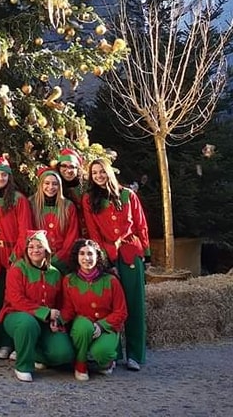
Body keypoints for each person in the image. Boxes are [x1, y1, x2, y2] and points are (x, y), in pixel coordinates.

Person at [82, 157, 150, 371]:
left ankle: (135, 355)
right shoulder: (89, 200)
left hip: (131, 253)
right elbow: (93, 232)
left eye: (102, 172)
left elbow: (141, 225)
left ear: (109, 172)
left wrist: (146, 255)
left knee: (134, 304)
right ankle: (113, 353)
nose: (99, 176)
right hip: (107, 255)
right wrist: (102, 259)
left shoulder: (128, 195)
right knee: (109, 306)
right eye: (94, 173)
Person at [0, 230, 74, 382]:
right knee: (27, 324)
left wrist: (58, 320)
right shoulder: (17, 269)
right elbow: (16, 299)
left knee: (63, 353)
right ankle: (23, 366)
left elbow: (63, 303)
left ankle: (29, 351)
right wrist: (44, 312)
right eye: (31, 247)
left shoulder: (55, 274)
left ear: (46, 249)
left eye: (39, 246)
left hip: (45, 323)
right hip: (17, 316)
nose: (35, 250)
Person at [0, 156, 33, 359]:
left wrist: (17, 255)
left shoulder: (19, 200)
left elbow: (25, 230)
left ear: (9, 177)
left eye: (4, 175)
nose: (0, 178)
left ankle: (11, 342)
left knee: (13, 299)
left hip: (14, 254)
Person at [61, 238, 128, 381]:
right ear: (76, 257)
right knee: (83, 326)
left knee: (102, 353)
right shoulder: (69, 280)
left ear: (98, 257)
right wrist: (58, 320)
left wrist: (102, 325)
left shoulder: (111, 281)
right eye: (82, 254)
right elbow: (69, 309)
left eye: (90, 254)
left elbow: (121, 312)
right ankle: (80, 364)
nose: (86, 258)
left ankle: (107, 362)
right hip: (82, 325)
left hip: (106, 327)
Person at [31, 166, 79, 274]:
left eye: (55, 184)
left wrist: (57, 259)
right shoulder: (32, 205)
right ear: (41, 185)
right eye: (47, 183)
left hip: (63, 261)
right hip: (39, 260)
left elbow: (72, 236)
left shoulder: (68, 206)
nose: (51, 187)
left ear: (59, 186)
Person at [57, 148, 88, 238]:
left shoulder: (86, 186)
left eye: (72, 167)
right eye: (64, 166)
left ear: (77, 169)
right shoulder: (54, 185)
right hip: (66, 234)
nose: (68, 170)